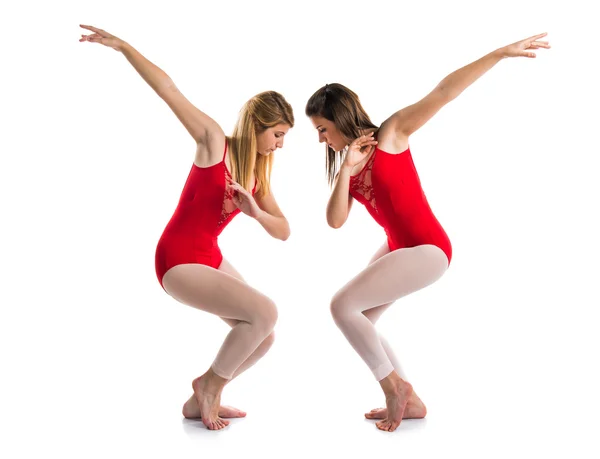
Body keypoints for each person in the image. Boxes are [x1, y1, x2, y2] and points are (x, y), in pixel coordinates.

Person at [305, 32, 550, 432]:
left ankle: (394, 389)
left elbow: (443, 92)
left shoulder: (392, 133)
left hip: (428, 249)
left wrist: (499, 54)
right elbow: (334, 221)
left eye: (322, 128)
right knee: (357, 315)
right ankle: (409, 399)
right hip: (398, 247)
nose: (320, 139)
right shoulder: (348, 162)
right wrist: (346, 169)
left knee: (341, 306)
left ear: (341, 118)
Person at [79, 25, 293, 431]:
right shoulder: (214, 142)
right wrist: (124, 47)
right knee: (265, 312)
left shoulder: (257, 176)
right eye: (277, 135)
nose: (280, 145)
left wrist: (255, 212)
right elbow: (170, 90)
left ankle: (201, 400)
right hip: (177, 258)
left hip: (208, 256)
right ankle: (208, 385)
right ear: (257, 126)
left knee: (263, 335)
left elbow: (283, 230)